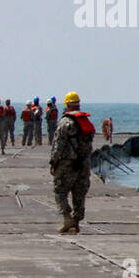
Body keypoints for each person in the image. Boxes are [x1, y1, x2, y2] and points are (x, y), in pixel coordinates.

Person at [50, 90, 95, 233]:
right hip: (84, 163)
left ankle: (67, 218)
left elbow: (58, 145)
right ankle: (76, 221)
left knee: (60, 190)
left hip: (67, 163)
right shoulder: (86, 122)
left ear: (68, 105)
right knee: (79, 192)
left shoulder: (65, 122)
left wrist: (53, 162)